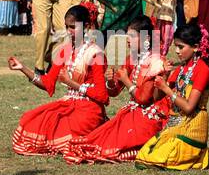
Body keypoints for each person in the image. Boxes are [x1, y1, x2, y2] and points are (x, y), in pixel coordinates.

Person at [64, 17, 168, 164]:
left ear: (146, 38)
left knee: (113, 144)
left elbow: (144, 99)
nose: (128, 40)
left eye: (132, 36)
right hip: (132, 113)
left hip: (149, 118)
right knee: (102, 137)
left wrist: (126, 80)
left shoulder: (157, 61)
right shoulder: (131, 58)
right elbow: (114, 92)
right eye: (127, 36)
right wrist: (110, 81)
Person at [10, 4, 109, 156]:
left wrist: (71, 84)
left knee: (58, 133)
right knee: (31, 121)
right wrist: (23, 68)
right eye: (67, 27)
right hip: (69, 104)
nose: (69, 32)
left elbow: (102, 96)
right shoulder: (66, 50)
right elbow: (48, 83)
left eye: (73, 27)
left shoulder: (96, 53)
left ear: (87, 26)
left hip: (89, 110)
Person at [135, 22, 209, 171]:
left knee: (161, 158)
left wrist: (168, 90)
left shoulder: (202, 70)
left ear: (196, 47)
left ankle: (197, 154)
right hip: (174, 123)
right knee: (143, 156)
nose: (177, 51)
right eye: (175, 46)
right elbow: (156, 97)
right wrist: (163, 77)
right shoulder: (181, 69)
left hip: (193, 124)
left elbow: (190, 107)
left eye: (181, 47)